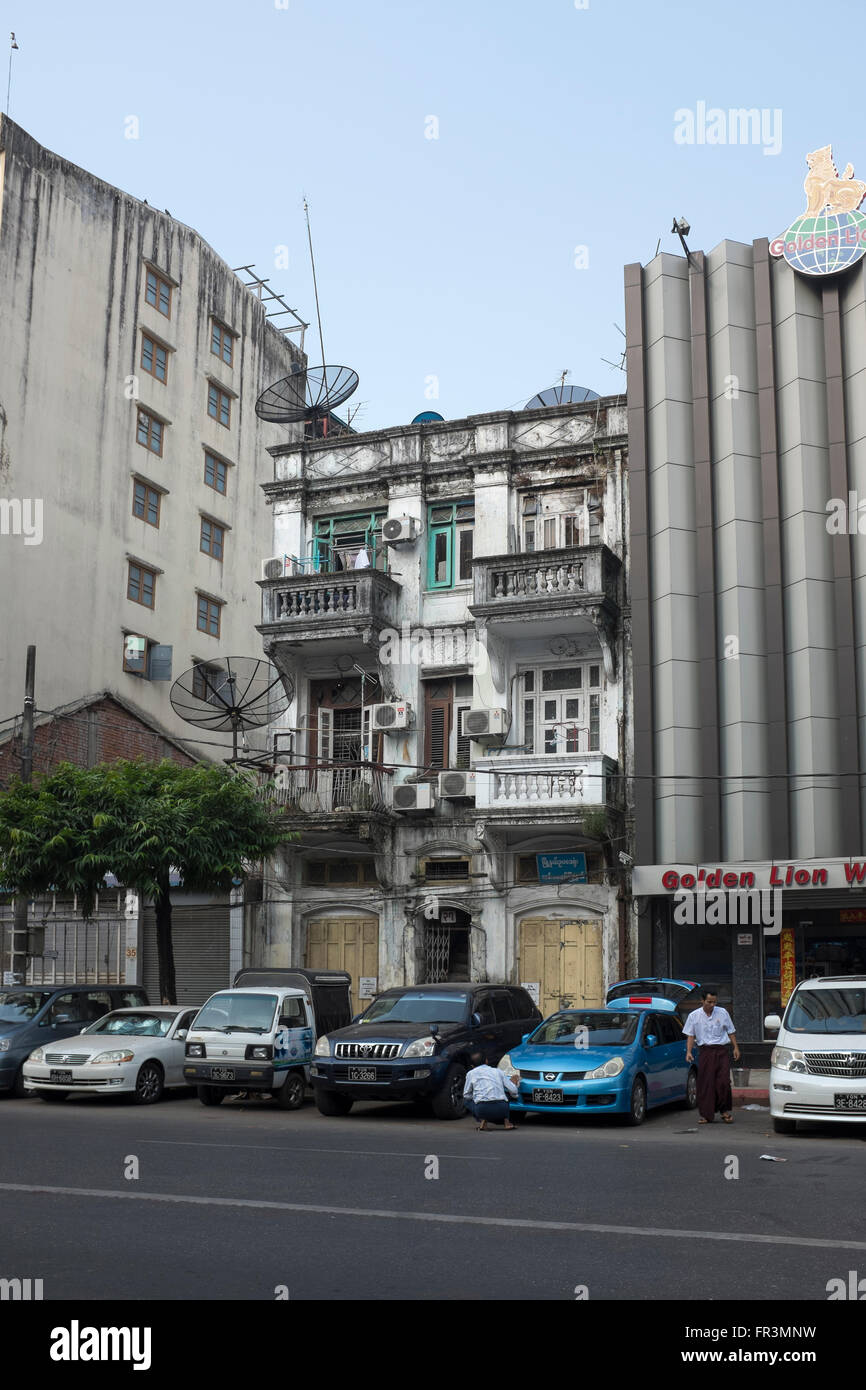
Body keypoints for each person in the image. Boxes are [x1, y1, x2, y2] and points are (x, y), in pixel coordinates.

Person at [683, 988, 740, 1124]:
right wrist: (689, 1051)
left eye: (714, 1002)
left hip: (721, 1051)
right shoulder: (693, 1016)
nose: (712, 1005)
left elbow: (730, 1031)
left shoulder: (723, 1013)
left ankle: (724, 1110)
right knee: (706, 1083)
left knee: (723, 1082)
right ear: (702, 1001)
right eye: (709, 1002)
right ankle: (706, 1115)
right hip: (705, 1052)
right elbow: (691, 1035)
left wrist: (736, 1047)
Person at [463, 1050, 519, 1130]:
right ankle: (507, 1122)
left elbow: (466, 1095)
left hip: (482, 1110)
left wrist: (477, 1097)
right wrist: (514, 1084)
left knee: (466, 1100)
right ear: (486, 1061)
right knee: (505, 1094)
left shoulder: (470, 1074)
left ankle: (483, 1121)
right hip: (502, 1109)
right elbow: (514, 1091)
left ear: (472, 1066)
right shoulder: (498, 1071)